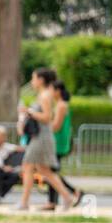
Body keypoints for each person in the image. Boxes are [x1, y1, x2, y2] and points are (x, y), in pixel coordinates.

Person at [16, 68, 80, 212]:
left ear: (41, 80)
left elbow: (46, 117)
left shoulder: (45, 95)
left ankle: (24, 203)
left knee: (28, 166)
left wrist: (29, 112)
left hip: (42, 137)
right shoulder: (43, 95)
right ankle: (67, 197)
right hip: (41, 136)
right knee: (44, 169)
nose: (32, 82)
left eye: (34, 78)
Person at [43, 80, 78, 211]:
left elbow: (56, 126)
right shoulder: (58, 104)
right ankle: (53, 201)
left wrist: (43, 129)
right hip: (56, 142)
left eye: (51, 90)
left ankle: (73, 192)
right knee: (51, 172)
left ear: (57, 91)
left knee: (51, 172)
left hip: (58, 143)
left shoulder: (61, 105)